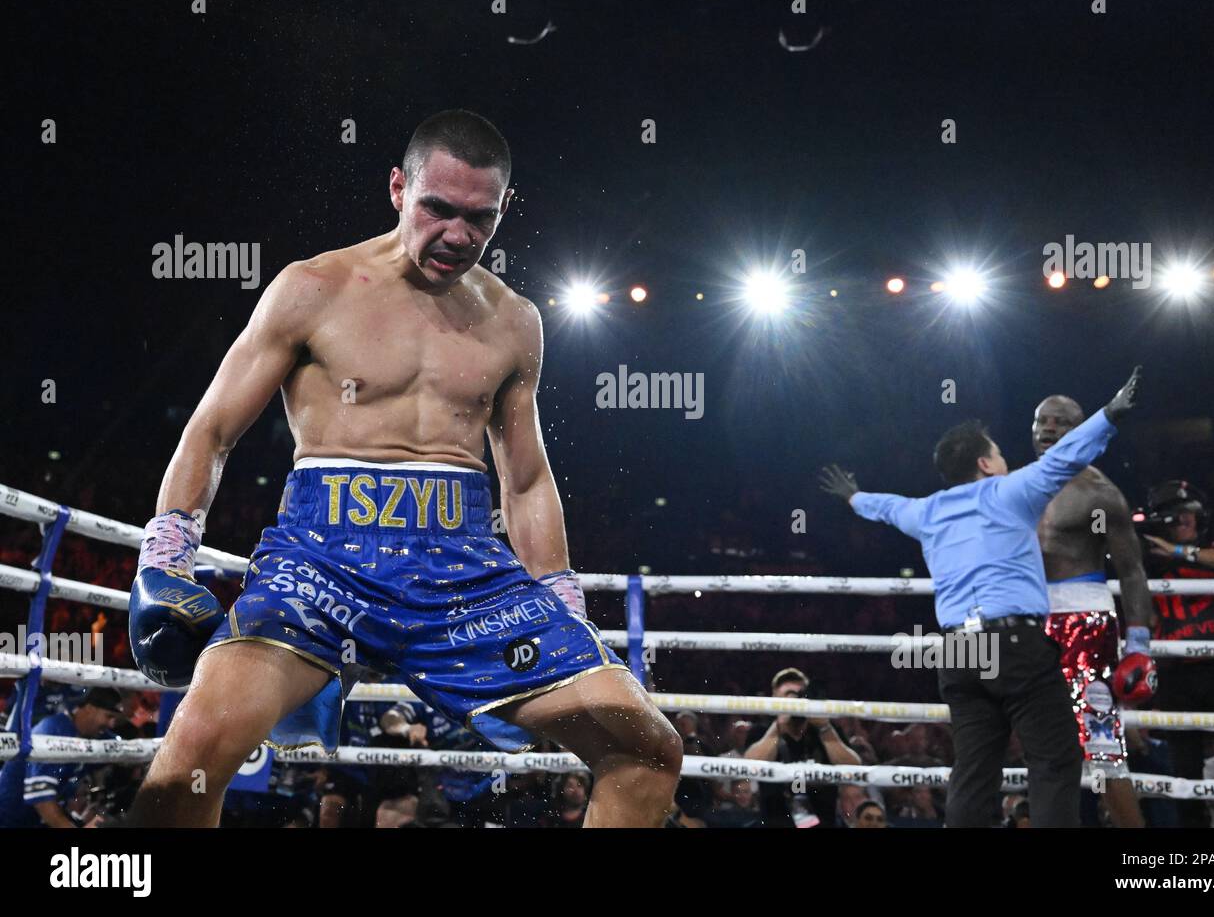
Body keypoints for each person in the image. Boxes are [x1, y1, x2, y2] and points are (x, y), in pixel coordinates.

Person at [126, 109, 682, 827]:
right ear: (397, 188)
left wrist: (560, 597)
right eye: (437, 209)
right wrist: (168, 551)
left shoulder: (515, 320)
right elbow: (213, 430)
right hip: (319, 564)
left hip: (465, 576)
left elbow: (525, 479)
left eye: (479, 218)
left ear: (504, 208)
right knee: (190, 757)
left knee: (649, 750)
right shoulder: (312, 288)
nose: (457, 236)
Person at [820, 367, 1143, 826]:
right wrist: (1109, 414)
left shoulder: (927, 511)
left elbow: (886, 507)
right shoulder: (1010, 492)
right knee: (1054, 761)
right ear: (985, 464)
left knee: (973, 771)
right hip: (1015, 646)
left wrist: (853, 497)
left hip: (958, 651)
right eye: (997, 453)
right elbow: (1067, 456)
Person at [1030, 394, 1156, 827]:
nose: (1047, 428)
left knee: (1100, 745)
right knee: (1044, 747)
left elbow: (1132, 571)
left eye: (1060, 422)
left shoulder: (1099, 493)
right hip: (1028, 624)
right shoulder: (1018, 485)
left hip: (1085, 624)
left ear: (1081, 430)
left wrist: (1139, 644)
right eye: (1041, 421)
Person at [1141, 480, 1214, 827]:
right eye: (1175, 516)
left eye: (1189, 514)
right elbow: (1143, 613)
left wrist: (1181, 553)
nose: (1183, 521)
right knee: (1185, 772)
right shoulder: (1148, 563)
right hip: (1177, 673)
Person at [743, 667, 862, 827]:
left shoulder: (827, 730)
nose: (796, 702)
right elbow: (749, 768)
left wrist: (825, 728)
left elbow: (854, 768)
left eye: (800, 695)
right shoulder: (762, 731)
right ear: (775, 698)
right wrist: (778, 726)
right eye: (788, 695)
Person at [0, 687, 123, 828]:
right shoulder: (53, 731)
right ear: (89, 709)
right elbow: (41, 798)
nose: (111, 724)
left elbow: (128, 751)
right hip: (9, 820)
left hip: (36, 821)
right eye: (109, 716)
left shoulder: (95, 734)